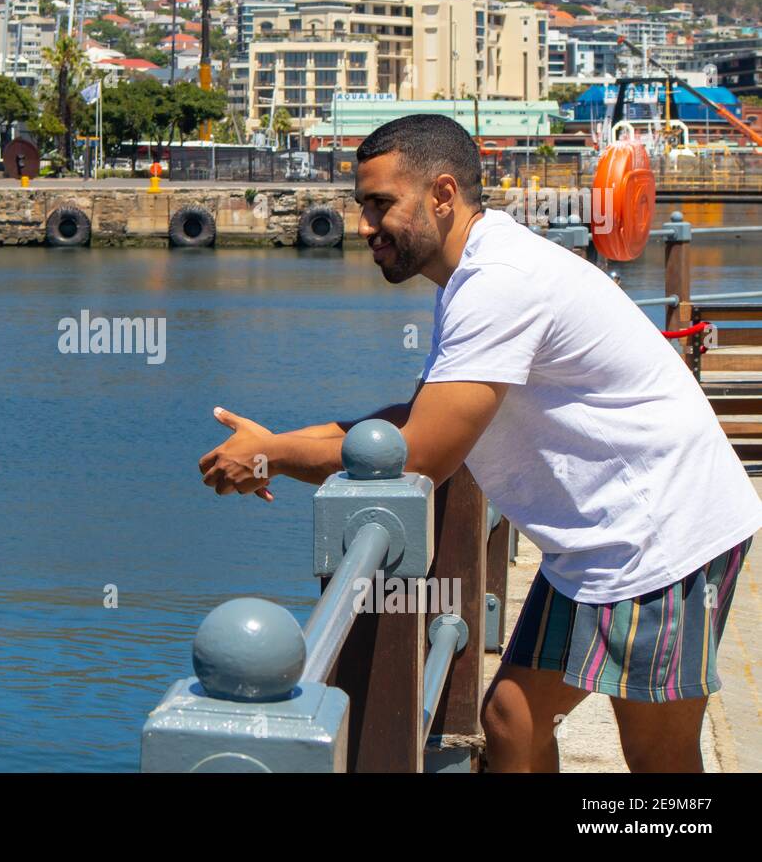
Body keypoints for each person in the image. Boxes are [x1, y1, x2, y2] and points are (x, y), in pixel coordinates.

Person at [197, 114, 761, 772]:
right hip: (599, 539)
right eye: (361, 207)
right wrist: (275, 443)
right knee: (511, 723)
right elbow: (413, 418)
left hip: (662, 533)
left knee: (656, 761)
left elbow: (420, 457)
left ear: (441, 196)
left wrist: (272, 456)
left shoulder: (499, 282)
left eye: (380, 205)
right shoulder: (474, 275)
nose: (364, 227)